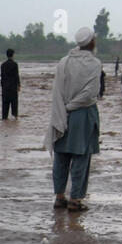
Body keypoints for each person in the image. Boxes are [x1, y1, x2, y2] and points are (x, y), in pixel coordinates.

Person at [44, 28, 102, 211]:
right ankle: (75, 200)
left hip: (62, 113)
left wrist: (65, 108)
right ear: (92, 42)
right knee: (80, 157)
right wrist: (72, 107)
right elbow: (90, 94)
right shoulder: (94, 64)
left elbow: (57, 91)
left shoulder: (64, 62)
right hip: (82, 114)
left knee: (61, 157)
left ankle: (59, 197)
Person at [0, 48, 20, 120]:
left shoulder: (3, 65)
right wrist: (19, 85)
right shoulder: (15, 64)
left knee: (5, 105)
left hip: (5, 88)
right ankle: (15, 118)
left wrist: (2, 86)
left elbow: (2, 77)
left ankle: (4, 118)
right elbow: (16, 76)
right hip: (13, 87)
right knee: (14, 104)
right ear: (13, 55)